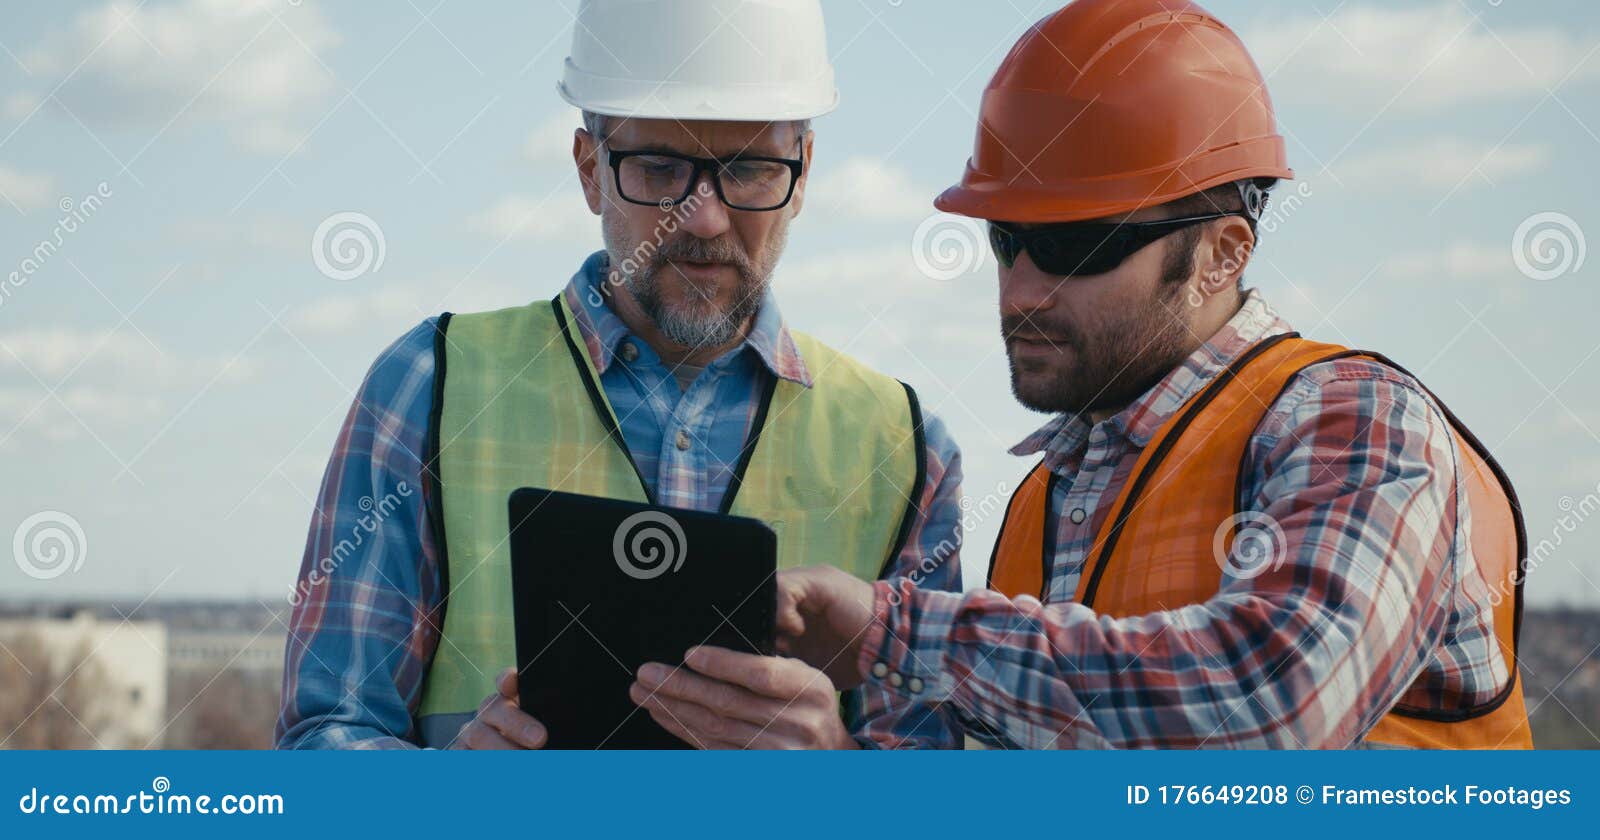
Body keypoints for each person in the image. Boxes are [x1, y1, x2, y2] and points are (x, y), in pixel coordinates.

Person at [770, 0, 1532, 749]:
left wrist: (891, 633)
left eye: (1078, 246)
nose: (1021, 291)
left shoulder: (1358, 423)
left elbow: (1268, 715)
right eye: (1008, 241)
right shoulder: (1044, 501)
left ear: (1223, 254)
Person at [275, 0, 964, 750]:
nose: (701, 219)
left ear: (801, 177)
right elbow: (324, 743)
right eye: (659, 166)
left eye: (749, 168)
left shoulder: (903, 447)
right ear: (588, 170)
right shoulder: (428, 389)